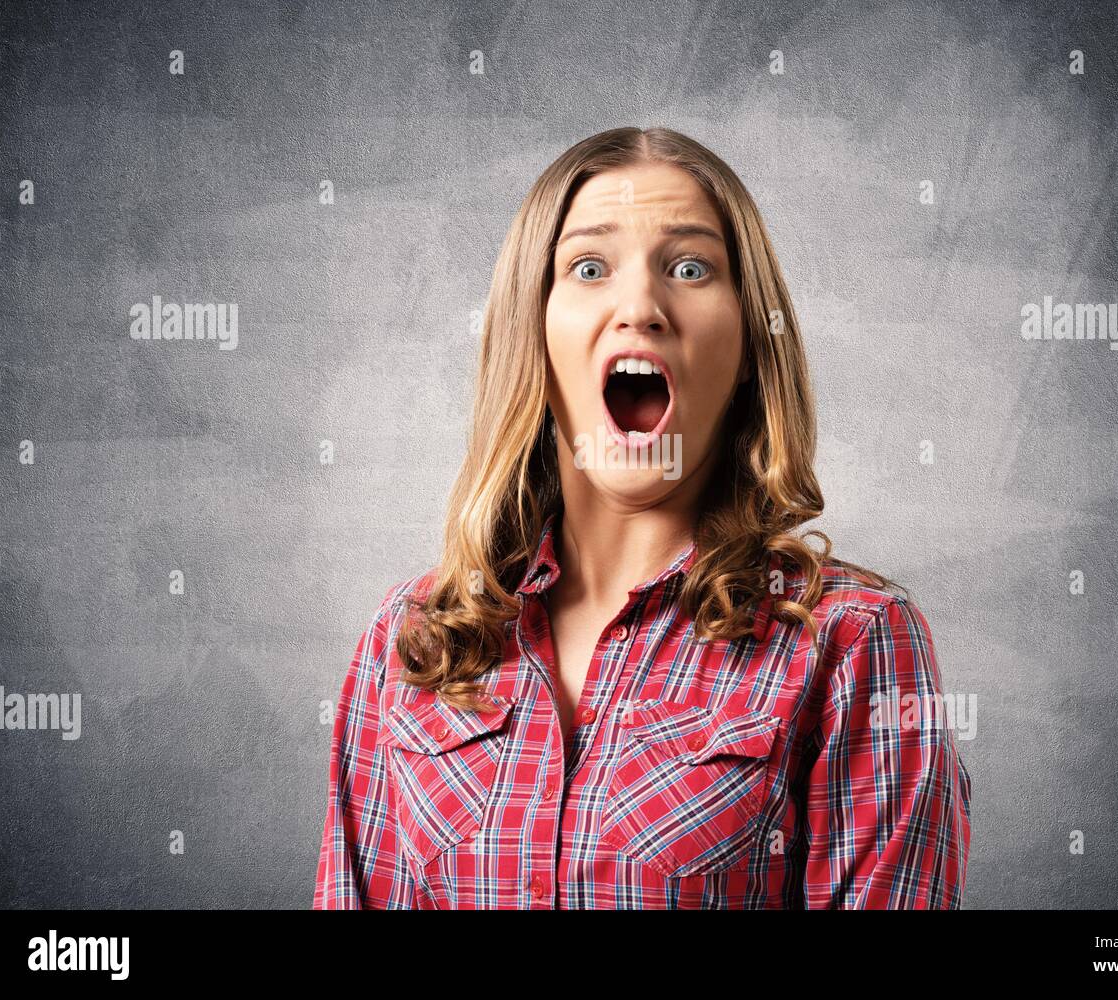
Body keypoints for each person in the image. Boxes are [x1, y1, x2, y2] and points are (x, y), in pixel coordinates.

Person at [313, 126, 971, 909]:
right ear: (535, 332)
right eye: (589, 267)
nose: (641, 307)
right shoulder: (411, 641)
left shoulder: (853, 640)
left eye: (690, 268)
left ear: (750, 345)